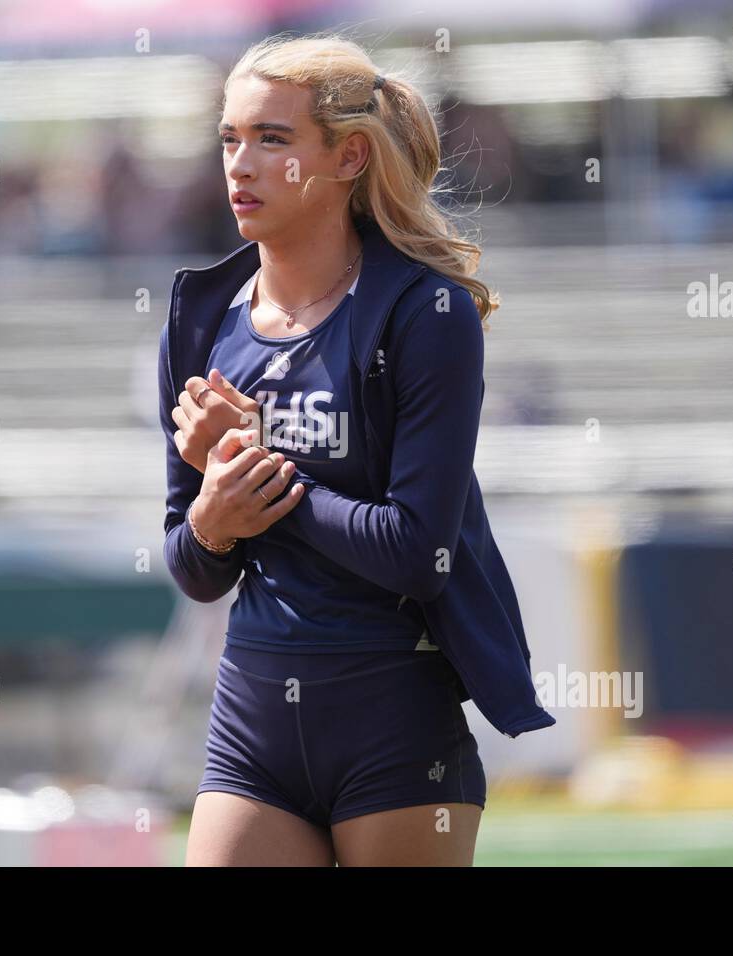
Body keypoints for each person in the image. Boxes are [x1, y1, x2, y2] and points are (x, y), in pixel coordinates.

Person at [157, 34, 554, 867]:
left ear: (349, 158)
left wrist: (257, 469)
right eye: (229, 137)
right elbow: (196, 570)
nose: (241, 164)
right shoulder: (202, 316)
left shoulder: (425, 314)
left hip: (394, 722)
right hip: (251, 722)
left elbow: (417, 553)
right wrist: (214, 517)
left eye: (273, 139)